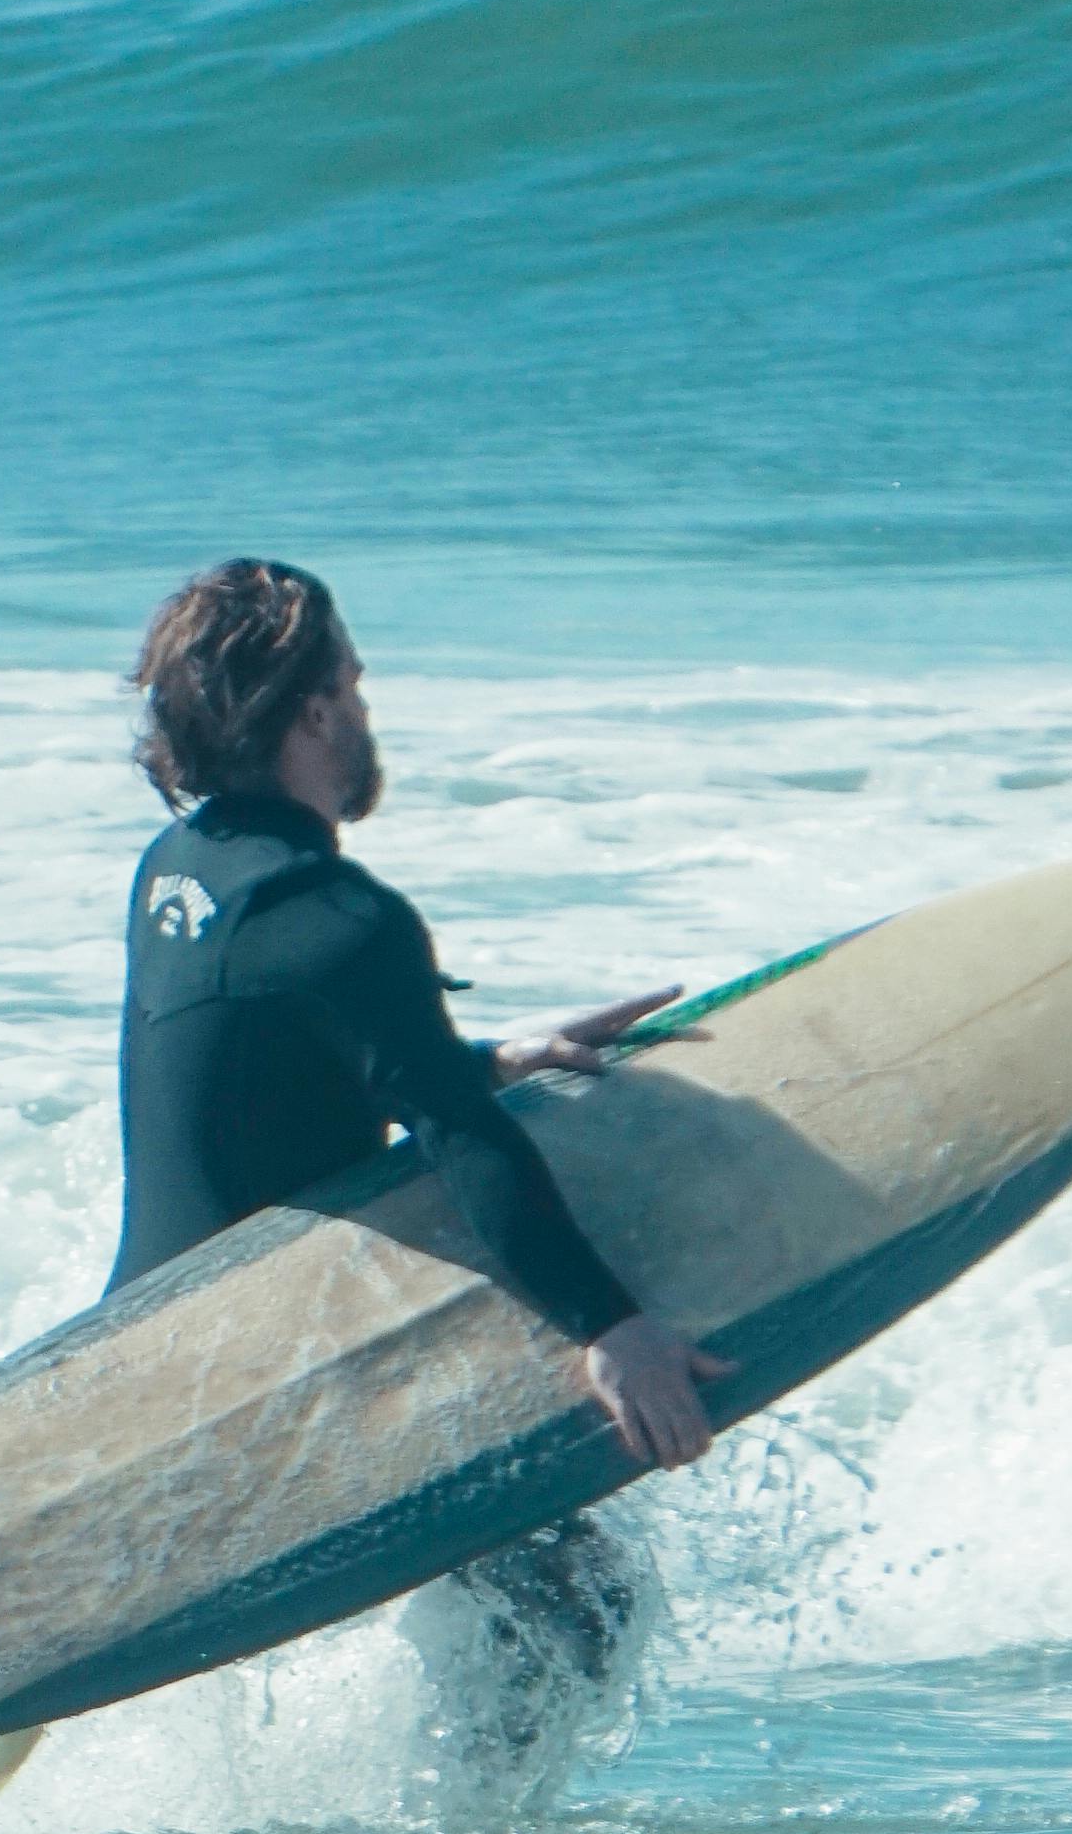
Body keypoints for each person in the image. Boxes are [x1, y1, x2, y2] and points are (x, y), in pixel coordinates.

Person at [108, 558, 732, 1470]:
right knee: (568, 1585)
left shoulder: (178, 868)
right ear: (316, 711)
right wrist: (615, 1328)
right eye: (354, 687)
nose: (364, 712)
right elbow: (469, 1149)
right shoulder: (338, 916)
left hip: (140, 1341)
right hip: (272, 1370)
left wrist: (483, 1062)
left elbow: (259, 1077)